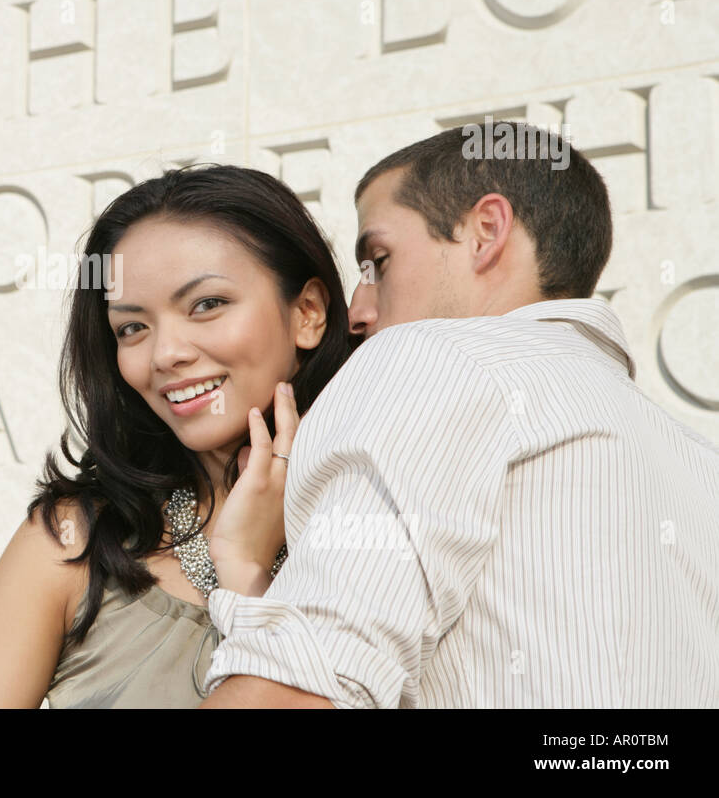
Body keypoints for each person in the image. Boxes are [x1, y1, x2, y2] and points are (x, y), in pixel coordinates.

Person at [198, 122, 719, 708]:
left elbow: (295, 691)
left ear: (486, 231)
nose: (357, 311)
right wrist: (248, 576)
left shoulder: (433, 357)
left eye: (378, 260)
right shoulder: (699, 463)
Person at [0, 164, 356, 707]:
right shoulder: (74, 543)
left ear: (308, 312)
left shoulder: (386, 522)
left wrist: (249, 574)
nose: (165, 354)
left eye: (207, 304)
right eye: (132, 327)